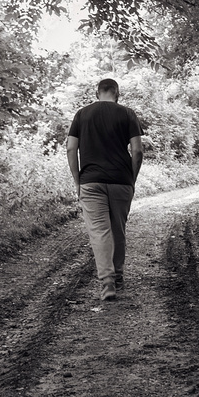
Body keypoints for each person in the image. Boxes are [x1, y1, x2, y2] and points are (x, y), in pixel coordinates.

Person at [66, 78, 143, 301]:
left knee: (100, 231)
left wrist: (77, 181)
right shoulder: (128, 114)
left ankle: (107, 282)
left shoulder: (82, 114)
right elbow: (137, 151)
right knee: (117, 229)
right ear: (117, 93)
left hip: (90, 182)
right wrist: (132, 179)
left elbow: (71, 148)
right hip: (121, 181)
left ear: (97, 92)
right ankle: (118, 276)